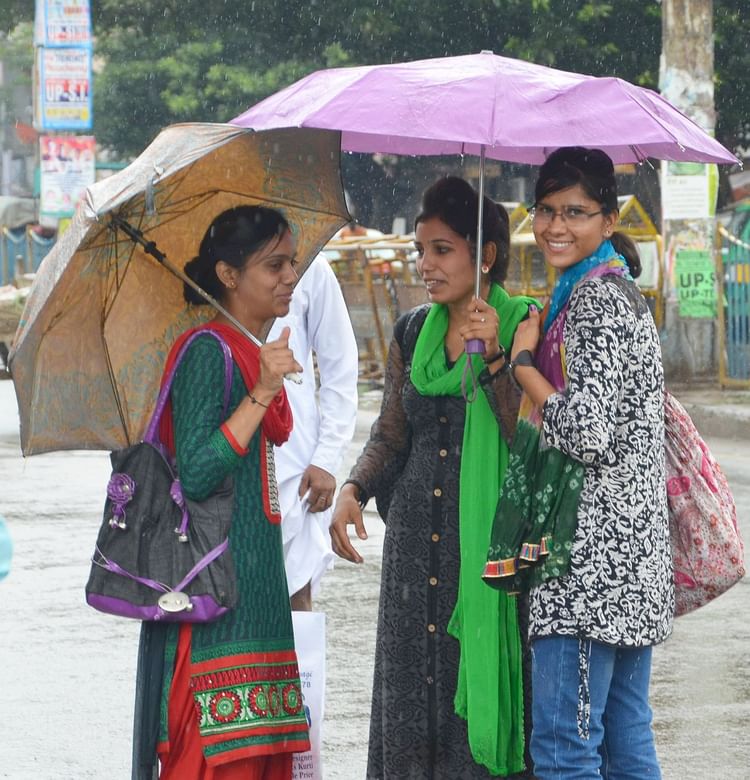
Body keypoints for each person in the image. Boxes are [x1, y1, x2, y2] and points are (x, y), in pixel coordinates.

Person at [330, 176, 536, 778]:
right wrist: (354, 489)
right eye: (422, 249)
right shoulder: (412, 331)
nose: (426, 264)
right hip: (415, 544)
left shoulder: (524, 324)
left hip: (486, 551)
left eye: (442, 249)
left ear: (486, 255)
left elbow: (528, 437)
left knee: (474, 696)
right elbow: (393, 432)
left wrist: (497, 356)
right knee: (410, 698)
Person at [484, 147, 673, 778]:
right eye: (545, 210)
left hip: (588, 565)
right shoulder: (612, 293)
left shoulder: (594, 303)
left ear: (609, 219)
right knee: (624, 740)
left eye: (576, 212)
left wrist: (523, 365)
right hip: (629, 558)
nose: (555, 227)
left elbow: (586, 433)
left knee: (565, 747)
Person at [132, 206, 310, 780]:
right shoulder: (207, 351)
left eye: (293, 264)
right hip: (213, 613)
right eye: (274, 265)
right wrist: (261, 390)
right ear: (229, 276)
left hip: (256, 594)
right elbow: (198, 474)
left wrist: (266, 379)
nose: (290, 277)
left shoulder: (250, 349)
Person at [268, 253, 359, 611]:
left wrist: (325, 459)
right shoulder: (207, 259)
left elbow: (340, 368)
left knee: (296, 596)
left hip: (296, 468)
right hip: (228, 462)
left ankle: (296, 671)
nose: (287, 276)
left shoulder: (310, 266)